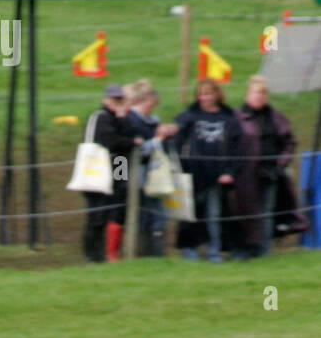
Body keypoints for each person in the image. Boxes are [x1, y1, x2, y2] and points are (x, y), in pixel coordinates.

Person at [174, 78, 242, 262]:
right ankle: (189, 247)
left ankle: (214, 250)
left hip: (217, 176)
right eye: (201, 94)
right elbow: (176, 138)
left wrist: (230, 172)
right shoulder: (190, 116)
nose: (204, 98)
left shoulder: (228, 119)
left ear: (216, 94)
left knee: (215, 213)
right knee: (190, 212)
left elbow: (237, 149)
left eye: (208, 94)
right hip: (193, 174)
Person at [232, 76, 298, 259]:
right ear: (248, 93)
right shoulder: (238, 116)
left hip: (270, 172)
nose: (259, 97)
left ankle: (263, 250)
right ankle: (244, 249)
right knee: (245, 211)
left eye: (263, 94)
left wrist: (283, 160)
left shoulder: (275, 117)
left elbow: (289, 142)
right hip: (245, 174)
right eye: (256, 93)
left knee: (266, 212)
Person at [80, 82, 138, 263]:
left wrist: (122, 118)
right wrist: (131, 142)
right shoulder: (100, 117)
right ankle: (93, 257)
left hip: (118, 165)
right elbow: (114, 142)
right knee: (97, 215)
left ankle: (111, 254)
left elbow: (128, 138)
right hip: (97, 170)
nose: (116, 102)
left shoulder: (121, 118)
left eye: (119, 98)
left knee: (116, 209)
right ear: (106, 98)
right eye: (114, 98)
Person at [126, 80, 178, 258]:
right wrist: (157, 139)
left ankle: (155, 251)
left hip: (154, 175)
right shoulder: (130, 120)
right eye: (149, 105)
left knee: (157, 213)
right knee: (143, 213)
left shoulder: (152, 120)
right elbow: (134, 151)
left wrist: (166, 134)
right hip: (137, 175)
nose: (151, 110)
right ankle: (142, 251)